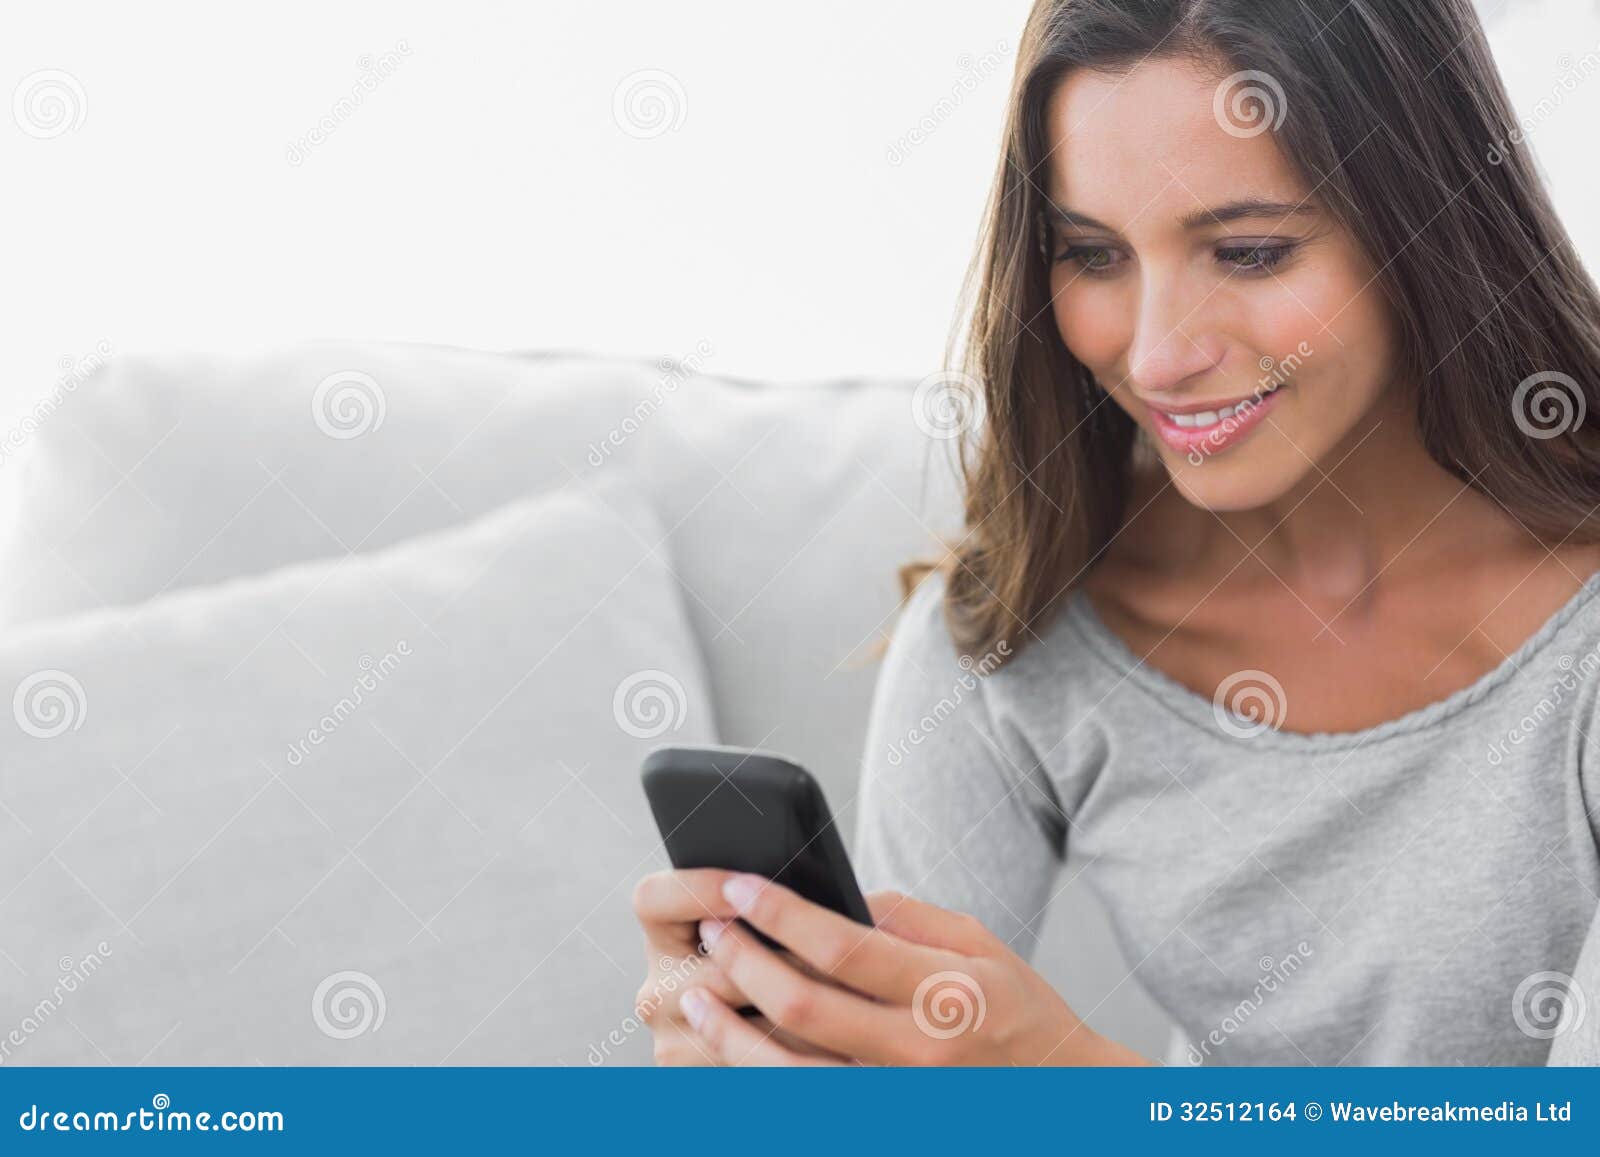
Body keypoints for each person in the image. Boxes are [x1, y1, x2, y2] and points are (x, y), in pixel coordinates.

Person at [634, 0, 1600, 1065]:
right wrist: (770, 1059)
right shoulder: (1019, 632)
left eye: (1247, 251)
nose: (1153, 357)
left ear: (1433, 220)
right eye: (1092, 256)